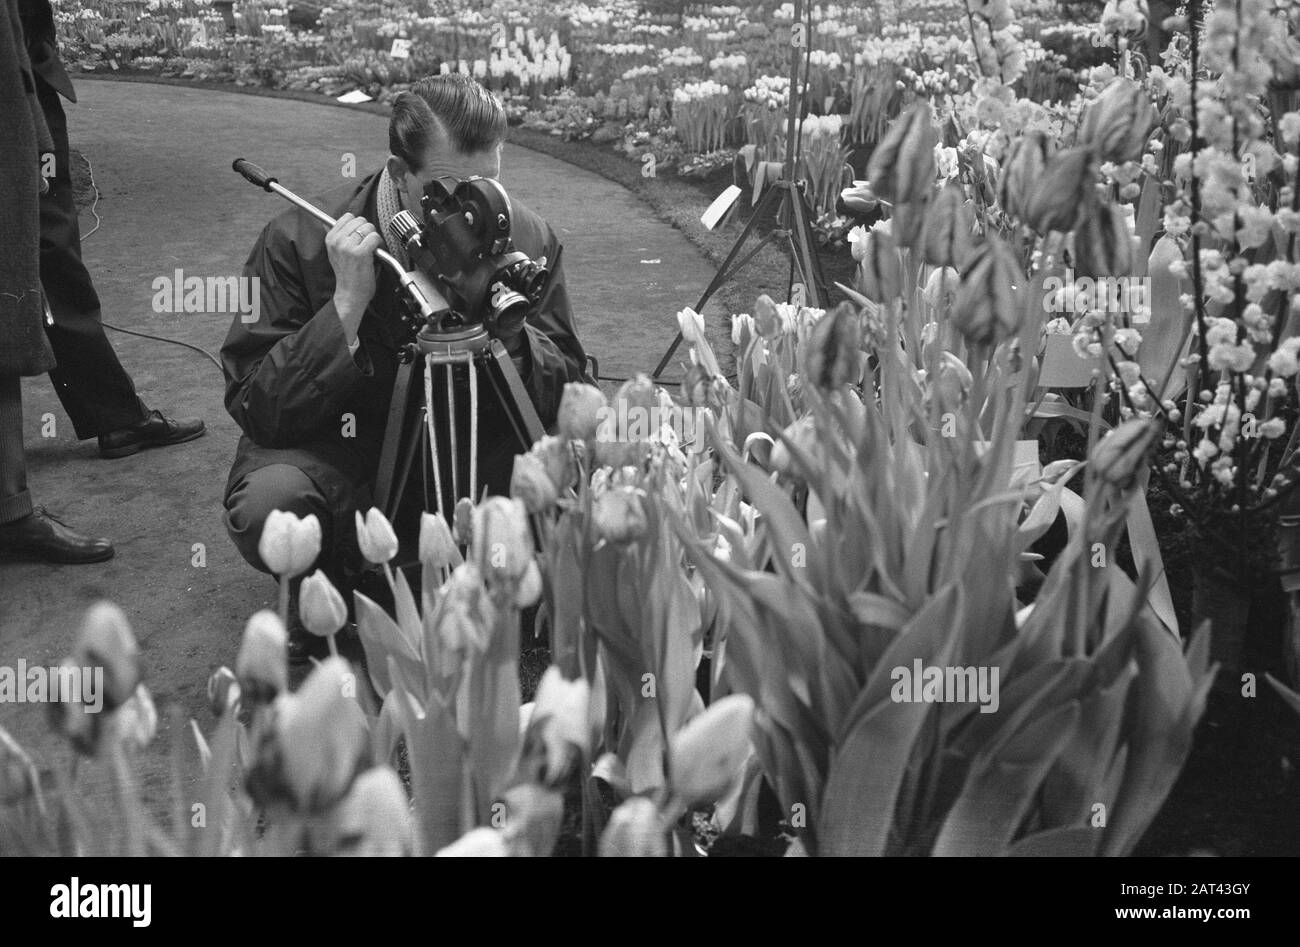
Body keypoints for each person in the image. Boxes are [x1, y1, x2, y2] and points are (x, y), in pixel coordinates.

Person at [221, 74, 591, 656]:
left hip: (476, 443)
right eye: (450, 191)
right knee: (272, 500)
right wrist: (346, 305)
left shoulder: (527, 237)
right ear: (399, 174)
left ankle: (511, 580)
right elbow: (257, 405)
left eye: (487, 185)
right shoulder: (300, 239)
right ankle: (332, 592)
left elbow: (569, 384)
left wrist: (506, 332)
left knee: (589, 462)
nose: (475, 213)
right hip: (353, 453)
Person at [18, 0, 204, 458]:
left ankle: (115, 415)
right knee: (50, 250)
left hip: (22, 78)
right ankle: (117, 418)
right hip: (16, 94)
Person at [0, 0, 111, 564]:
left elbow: (17, 42)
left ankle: (11, 509)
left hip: (14, 124)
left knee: (9, 316)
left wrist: (39, 139)